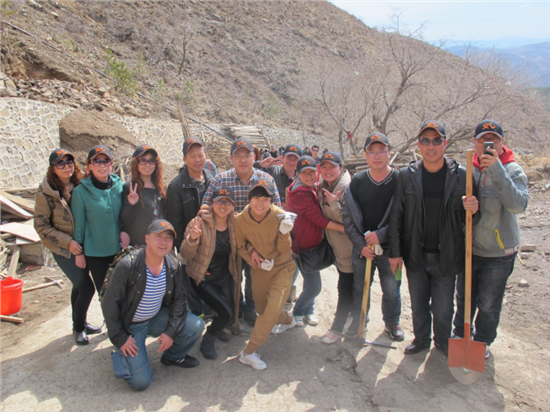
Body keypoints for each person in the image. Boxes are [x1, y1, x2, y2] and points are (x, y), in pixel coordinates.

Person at [388, 121, 478, 355]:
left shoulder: (461, 176)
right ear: (419, 144)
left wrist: (473, 208)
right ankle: (421, 340)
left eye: (437, 140)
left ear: (445, 143)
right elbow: (396, 216)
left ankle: (442, 341)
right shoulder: (407, 176)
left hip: (447, 255)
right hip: (415, 253)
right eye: (426, 140)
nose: (431, 146)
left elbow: (472, 220)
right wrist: (395, 253)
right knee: (418, 305)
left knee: (444, 307)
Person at [453, 119, 528, 358]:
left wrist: (497, 169)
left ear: (502, 142)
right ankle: (460, 334)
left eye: (494, 140)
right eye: (483, 140)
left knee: (488, 303)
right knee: (464, 296)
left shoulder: (513, 170)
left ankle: (482, 341)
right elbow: (453, 204)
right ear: (474, 143)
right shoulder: (467, 168)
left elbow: (517, 205)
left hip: (498, 252)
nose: (488, 144)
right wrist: (464, 205)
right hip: (469, 248)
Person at [102, 219, 204, 391]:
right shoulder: (128, 265)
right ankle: (121, 354)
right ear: (147, 239)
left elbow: (179, 301)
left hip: (156, 317)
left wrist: (171, 333)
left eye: (168, 238)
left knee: (195, 325)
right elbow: (109, 304)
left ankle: (173, 357)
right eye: (158, 237)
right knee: (140, 382)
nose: (163, 242)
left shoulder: (172, 265)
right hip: (131, 324)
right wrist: (120, 338)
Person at [202, 138, 281, 326]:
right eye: (238, 156)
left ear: (254, 157)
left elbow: (277, 209)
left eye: (247, 155)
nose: (243, 160)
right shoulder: (221, 180)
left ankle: (250, 308)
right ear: (231, 159)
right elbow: (205, 206)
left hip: (258, 240)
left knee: (255, 276)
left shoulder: (266, 179)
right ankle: (235, 307)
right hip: (229, 241)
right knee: (233, 276)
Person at [34, 148, 101, 345]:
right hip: (64, 249)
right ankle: (79, 328)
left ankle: (79, 322)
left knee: (78, 286)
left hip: (84, 246)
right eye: (60, 163)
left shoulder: (80, 185)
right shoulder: (46, 194)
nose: (66, 167)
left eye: (69, 162)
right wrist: (68, 243)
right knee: (86, 287)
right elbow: (41, 226)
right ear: (53, 168)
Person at [342, 134, 404, 344]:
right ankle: (360, 321)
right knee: (360, 288)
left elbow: (405, 216)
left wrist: (381, 235)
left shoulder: (400, 180)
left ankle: (392, 322)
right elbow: (347, 217)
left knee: (392, 288)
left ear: (389, 153)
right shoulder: (357, 181)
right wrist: (361, 245)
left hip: (391, 249)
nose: (377, 156)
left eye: (381, 151)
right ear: (365, 155)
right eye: (372, 151)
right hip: (362, 249)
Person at [235, 180, 296, 370]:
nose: (260, 203)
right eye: (256, 198)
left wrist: (285, 233)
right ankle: (288, 319)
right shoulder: (240, 220)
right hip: (260, 270)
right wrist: (254, 258)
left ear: (271, 201)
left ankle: (248, 352)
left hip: (282, 268)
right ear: (250, 199)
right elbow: (240, 246)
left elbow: (285, 252)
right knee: (263, 312)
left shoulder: (279, 217)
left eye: (265, 199)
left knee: (269, 313)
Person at [180, 187, 240, 360]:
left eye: (228, 202)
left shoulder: (234, 222)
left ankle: (218, 327)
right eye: (219, 201)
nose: (223, 205)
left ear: (233, 205)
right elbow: (185, 254)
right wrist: (192, 239)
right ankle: (208, 339)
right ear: (212, 203)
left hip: (225, 275)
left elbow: (244, 243)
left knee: (230, 313)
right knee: (226, 312)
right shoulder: (198, 223)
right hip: (203, 276)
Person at [286, 156, 345, 327]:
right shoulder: (300, 194)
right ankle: (298, 311)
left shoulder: (312, 188)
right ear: (298, 174)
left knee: (309, 281)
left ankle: (308, 310)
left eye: (312, 172)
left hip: (310, 245)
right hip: (303, 248)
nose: (309, 176)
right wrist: (345, 228)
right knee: (315, 287)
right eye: (304, 173)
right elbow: (318, 219)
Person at [167, 137, 215, 316]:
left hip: (210, 244)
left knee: (210, 284)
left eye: (200, 155)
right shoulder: (176, 186)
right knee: (192, 285)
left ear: (206, 156)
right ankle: (196, 319)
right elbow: (175, 221)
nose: (197, 160)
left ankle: (212, 316)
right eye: (192, 156)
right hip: (190, 245)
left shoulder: (213, 181)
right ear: (184, 159)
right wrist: (183, 248)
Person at [71, 145, 124, 295]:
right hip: (96, 252)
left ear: (111, 163)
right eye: (97, 161)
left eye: (105, 161)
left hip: (119, 250)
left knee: (123, 290)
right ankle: (108, 319)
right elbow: (79, 225)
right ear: (89, 166)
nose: (102, 165)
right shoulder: (80, 192)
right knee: (105, 292)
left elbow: (126, 215)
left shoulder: (120, 186)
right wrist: (79, 253)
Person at [316, 152, 355, 344]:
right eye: (324, 167)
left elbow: (350, 222)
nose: (328, 170)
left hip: (349, 247)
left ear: (341, 167)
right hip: (339, 246)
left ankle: (337, 329)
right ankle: (354, 317)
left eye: (332, 166)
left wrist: (333, 203)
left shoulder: (347, 188)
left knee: (345, 288)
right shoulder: (325, 185)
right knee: (348, 285)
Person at [120, 144, 167, 248]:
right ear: (136, 163)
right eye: (143, 160)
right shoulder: (130, 188)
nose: (148, 165)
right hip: (140, 243)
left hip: (160, 241)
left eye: (151, 161)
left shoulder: (161, 187)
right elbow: (125, 220)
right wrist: (131, 204)